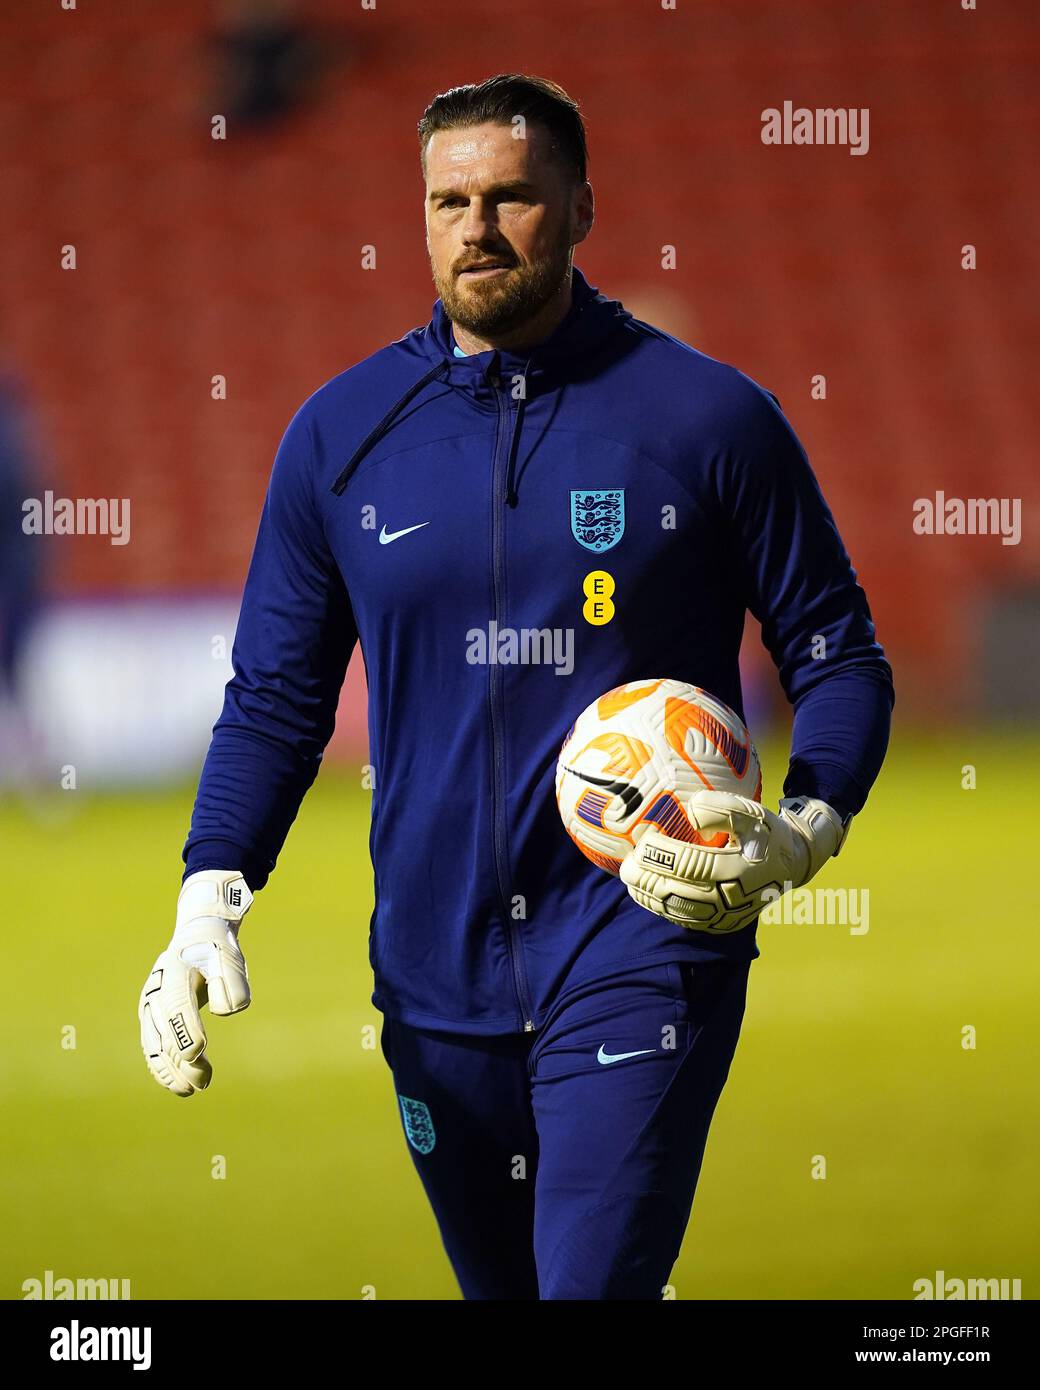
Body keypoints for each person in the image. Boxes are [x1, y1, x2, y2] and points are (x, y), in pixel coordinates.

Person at [138, 74, 893, 1300]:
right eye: (447, 201)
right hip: (431, 974)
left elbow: (835, 648)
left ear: (582, 207)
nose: (475, 228)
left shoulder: (710, 419)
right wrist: (207, 897)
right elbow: (275, 697)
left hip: (647, 940)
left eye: (508, 199)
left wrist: (804, 826)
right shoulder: (340, 436)